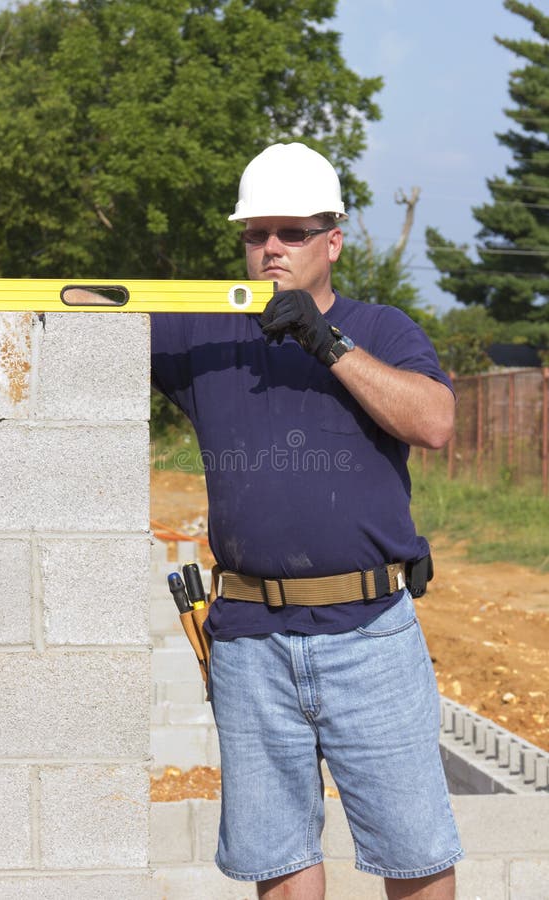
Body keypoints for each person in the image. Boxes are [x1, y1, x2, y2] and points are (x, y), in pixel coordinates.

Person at [151, 142, 464, 900]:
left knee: (416, 857)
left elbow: (434, 421)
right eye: (256, 234)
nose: (270, 250)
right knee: (280, 865)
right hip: (251, 641)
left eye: (291, 233)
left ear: (334, 241)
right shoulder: (207, 333)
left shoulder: (381, 328)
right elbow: (89, 316)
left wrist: (326, 344)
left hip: (372, 634)